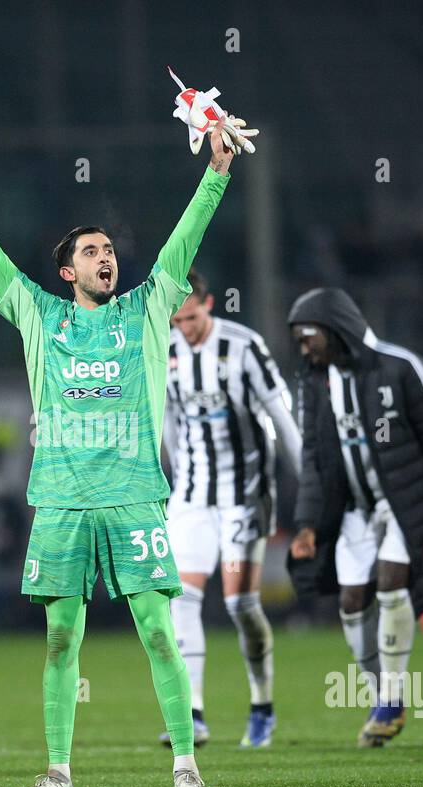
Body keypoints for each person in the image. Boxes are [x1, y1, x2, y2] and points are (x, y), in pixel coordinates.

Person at [0, 111, 235, 787]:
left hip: (132, 495)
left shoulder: (150, 307)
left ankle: (186, 764)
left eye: (108, 250)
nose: (105, 257)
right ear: (68, 270)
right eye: (91, 251)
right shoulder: (39, 313)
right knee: (61, 640)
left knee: (157, 631)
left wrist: (216, 171)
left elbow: (187, 238)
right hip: (59, 498)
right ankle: (58, 772)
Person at [287, 288, 423, 747]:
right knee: (350, 604)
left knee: (391, 581)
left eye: (308, 336)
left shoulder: (398, 366)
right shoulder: (314, 383)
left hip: (399, 503)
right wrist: (307, 525)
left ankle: (390, 697)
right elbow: (312, 458)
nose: (303, 347)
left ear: (335, 329)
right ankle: (382, 700)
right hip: (352, 510)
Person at [163, 269, 300, 748]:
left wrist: (310, 489)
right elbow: (168, 422)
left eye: (192, 317)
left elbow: (282, 417)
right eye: (177, 320)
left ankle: (262, 704)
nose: (185, 328)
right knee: (180, 597)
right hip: (193, 496)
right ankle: (193, 714)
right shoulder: (167, 350)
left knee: (241, 604)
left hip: (245, 496)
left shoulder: (244, 347)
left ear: (211, 304)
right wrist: (176, 477)